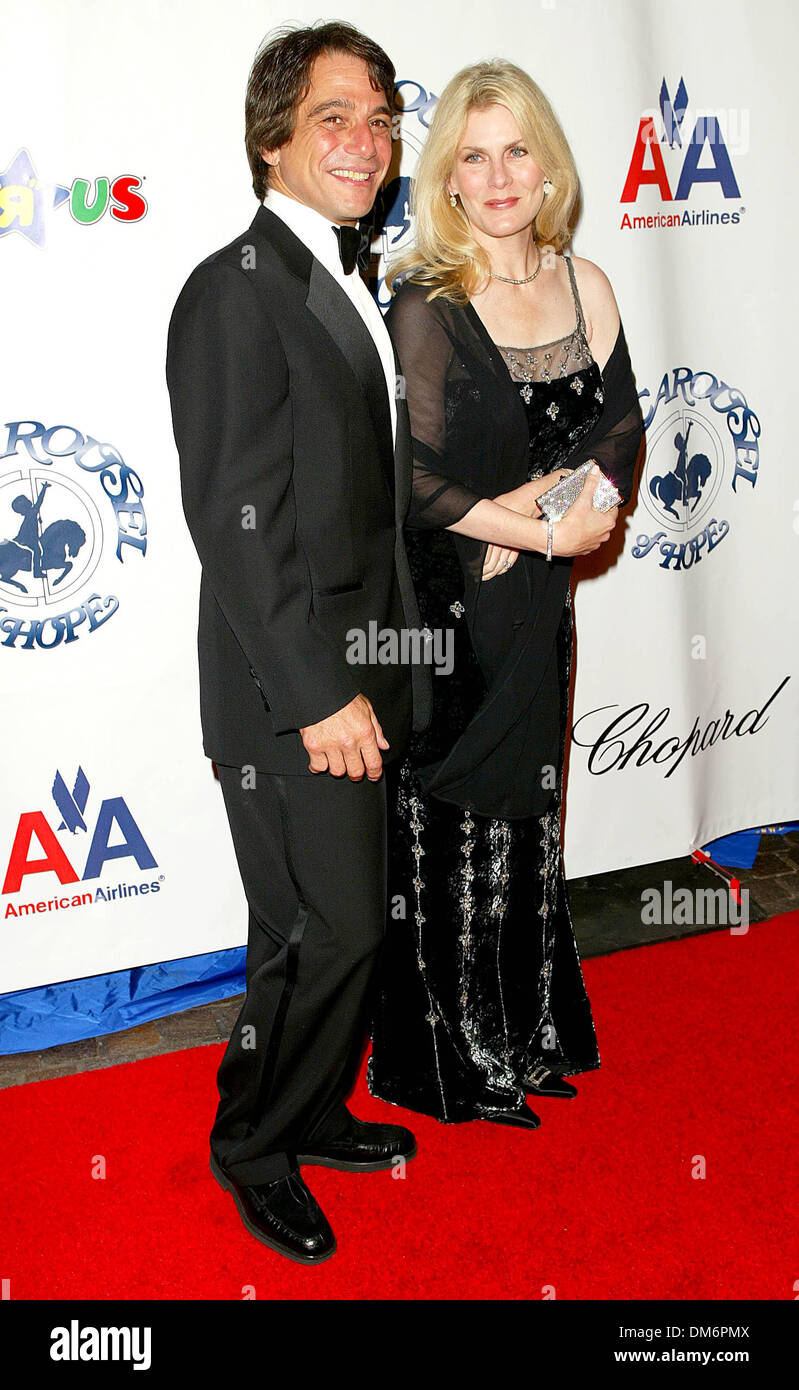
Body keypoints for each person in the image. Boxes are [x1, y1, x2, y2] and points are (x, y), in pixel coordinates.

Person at [166, 22, 432, 1265]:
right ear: (271, 139)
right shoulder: (235, 288)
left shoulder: (341, 273)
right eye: (334, 117)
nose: (366, 142)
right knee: (319, 934)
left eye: (380, 119)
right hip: (290, 695)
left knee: (338, 928)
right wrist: (320, 694)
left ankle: (313, 1110)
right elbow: (236, 521)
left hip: (358, 673)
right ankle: (255, 1146)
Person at [368, 60, 644, 1126]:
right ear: (445, 176)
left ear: (547, 165)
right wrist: (529, 527)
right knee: (450, 814)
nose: (496, 176)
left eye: (516, 151)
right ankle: (450, 1053)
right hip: (449, 600)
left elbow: (619, 433)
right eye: (473, 156)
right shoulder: (426, 303)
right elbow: (413, 481)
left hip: (537, 592)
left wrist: (542, 512)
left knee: (530, 806)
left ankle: (525, 1029)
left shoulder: (586, 287)